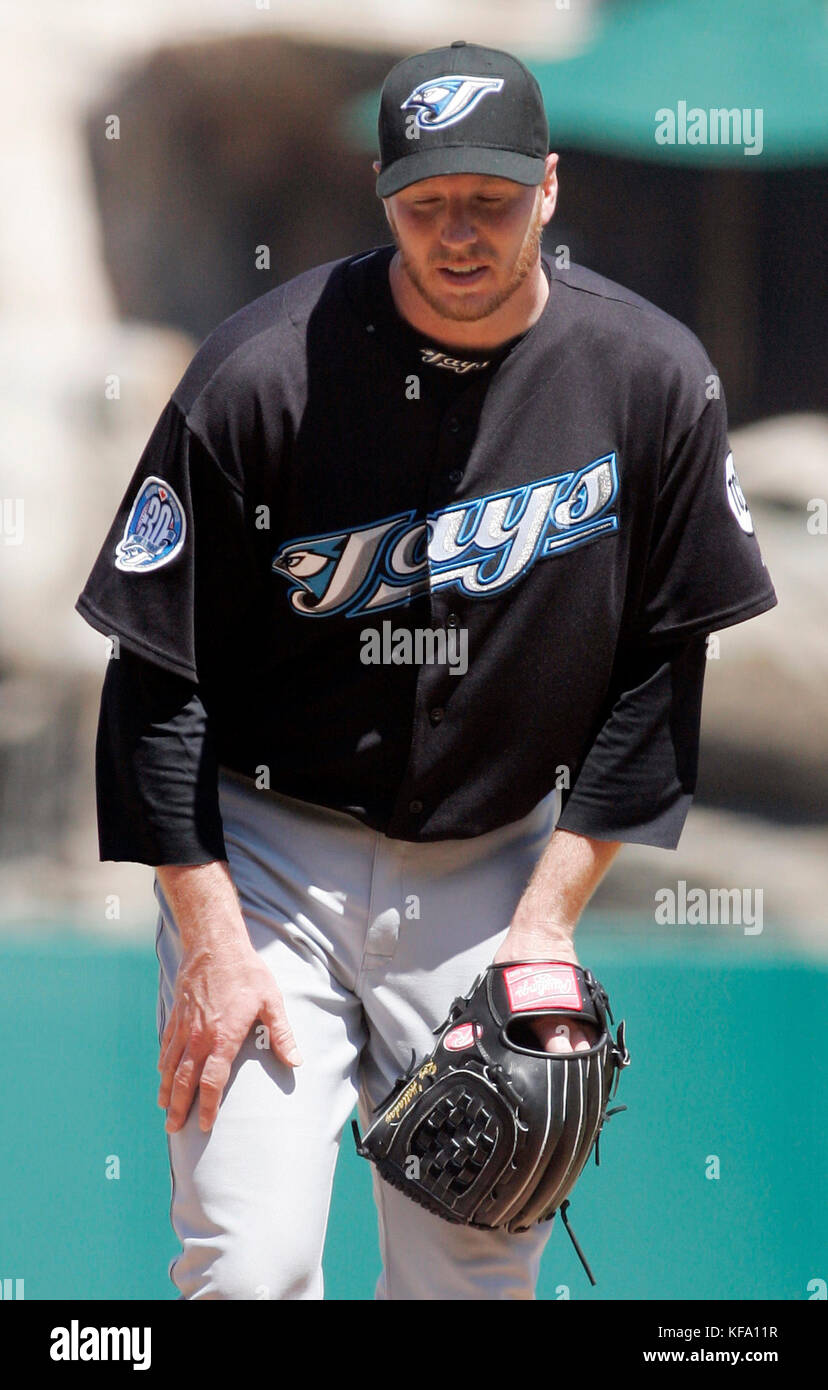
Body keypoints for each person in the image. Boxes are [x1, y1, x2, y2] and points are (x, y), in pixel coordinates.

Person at [76, 40, 777, 1300]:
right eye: (427, 203)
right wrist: (214, 943)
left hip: (497, 865)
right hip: (267, 861)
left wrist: (548, 922)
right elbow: (154, 682)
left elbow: (663, 672)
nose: (459, 234)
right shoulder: (259, 375)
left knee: (470, 1273)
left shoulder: (649, 380)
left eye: (491, 202)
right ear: (383, 196)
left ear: (550, 189)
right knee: (250, 1264)